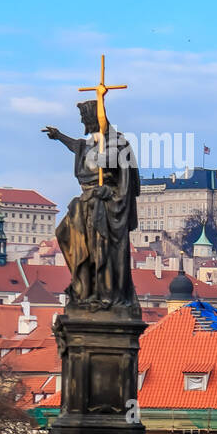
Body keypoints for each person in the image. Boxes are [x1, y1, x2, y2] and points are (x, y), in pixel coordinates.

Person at [44, 101, 140, 316]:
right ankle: (82, 285)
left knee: (100, 249)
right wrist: (59, 136)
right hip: (85, 203)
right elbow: (77, 146)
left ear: (93, 119)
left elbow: (126, 185)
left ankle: (103, 293)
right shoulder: (90, 145)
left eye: (84, 118)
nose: (81, 122)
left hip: (104, 207)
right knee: (64, 233)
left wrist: (111, 195)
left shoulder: (118, 145)